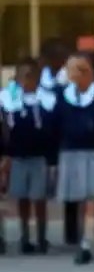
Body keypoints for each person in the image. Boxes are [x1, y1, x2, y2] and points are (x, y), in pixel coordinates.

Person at [53, 52, 94, 265]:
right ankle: (80, 236)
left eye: (73, 70)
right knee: (78, 199)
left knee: (91, 198)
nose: (68, 74)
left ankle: (86, 243)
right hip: (69, 153)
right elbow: (56, 124)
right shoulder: (62, 94)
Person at [1, 59, 58, 255]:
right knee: (22, 198)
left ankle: (41, 237)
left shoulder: (46, 100)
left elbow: (52, 132)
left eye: (30, 76)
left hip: (39, 158)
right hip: (18, 157)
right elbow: (6, 130)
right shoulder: (10, 100)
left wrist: (52, 159)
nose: (26, 80)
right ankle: (25, 237)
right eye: (22, 76)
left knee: (39, 198)